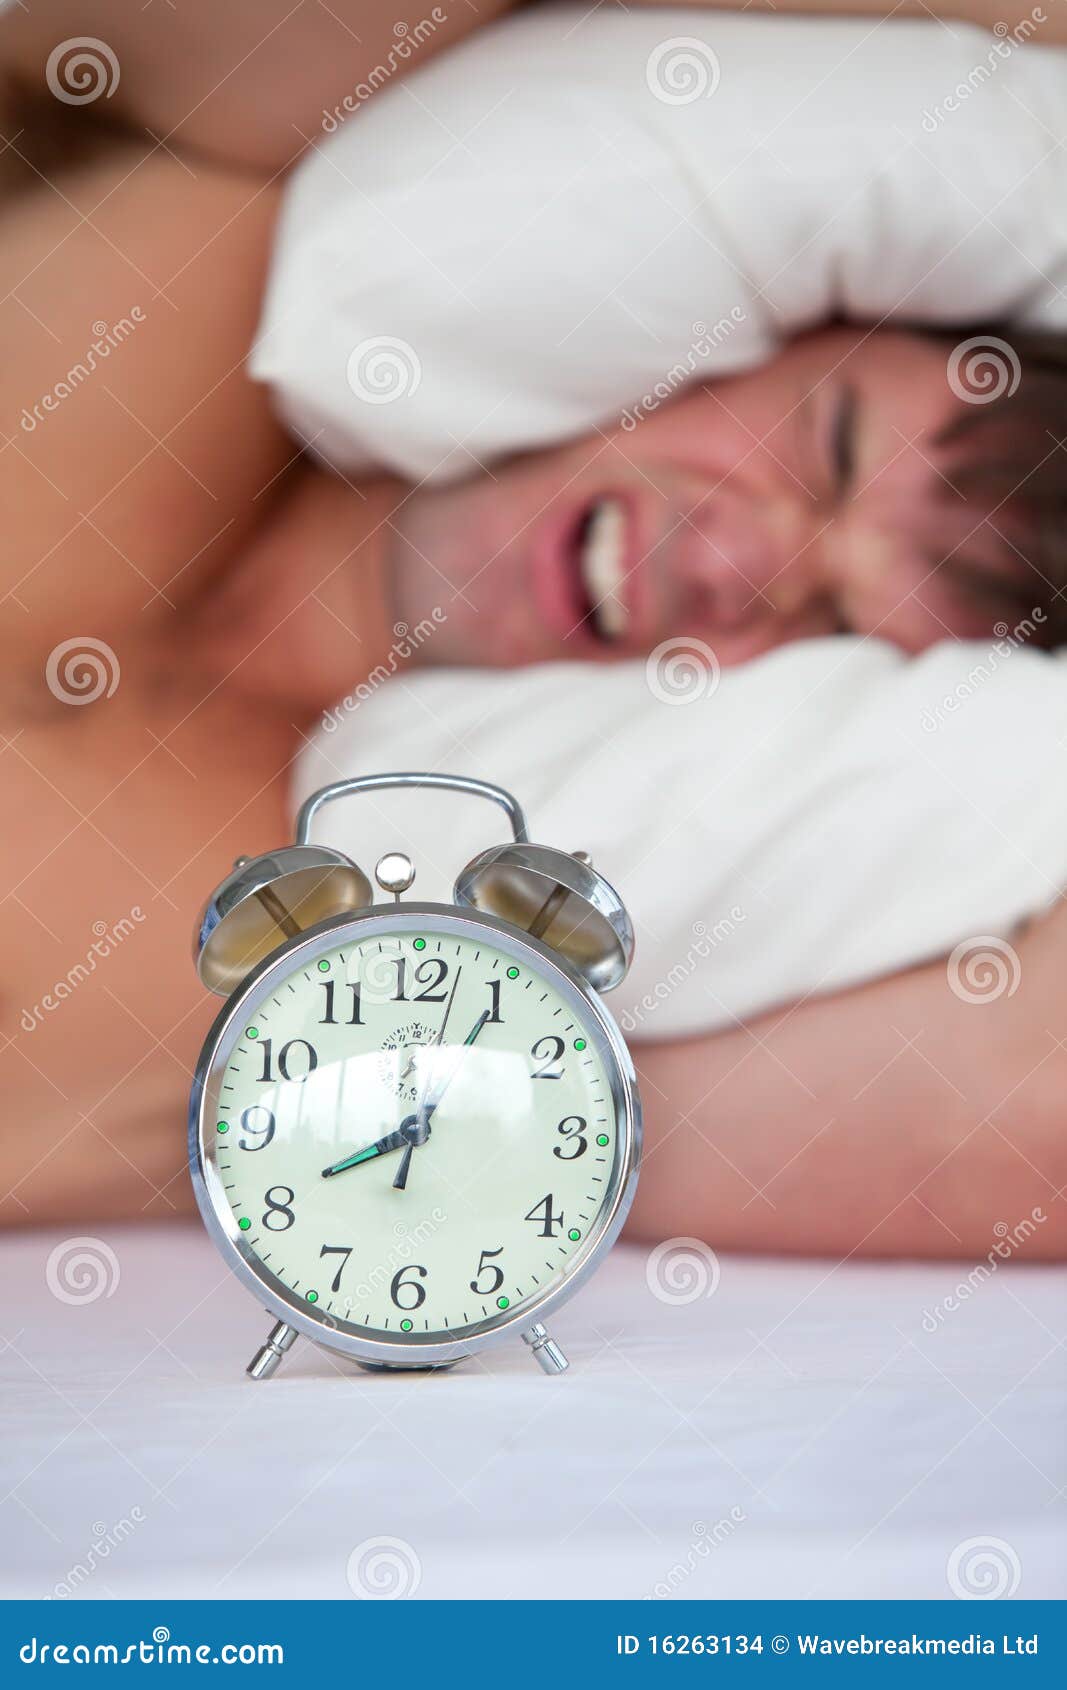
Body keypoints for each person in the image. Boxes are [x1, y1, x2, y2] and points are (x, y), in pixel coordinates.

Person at [0, 0, 1064, 1256]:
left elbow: (1027, 1094)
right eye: (823, 442)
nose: (724, 562)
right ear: (786, 310)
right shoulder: (214, 209)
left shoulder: (368, 1001)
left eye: (837, 648)